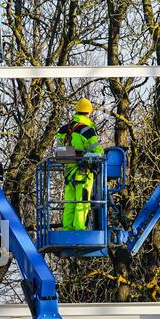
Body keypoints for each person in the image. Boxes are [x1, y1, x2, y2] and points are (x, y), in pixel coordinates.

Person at [57, 98, 103, 231]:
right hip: (83, 173)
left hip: (69, 172)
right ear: (89, 113)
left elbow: (60, 146)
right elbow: (97, 150)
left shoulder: (65, 129)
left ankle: (67, 229)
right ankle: (79, 229)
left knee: (70, 202)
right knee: (82, 202)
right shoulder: (87, 130)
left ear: (77, 111)